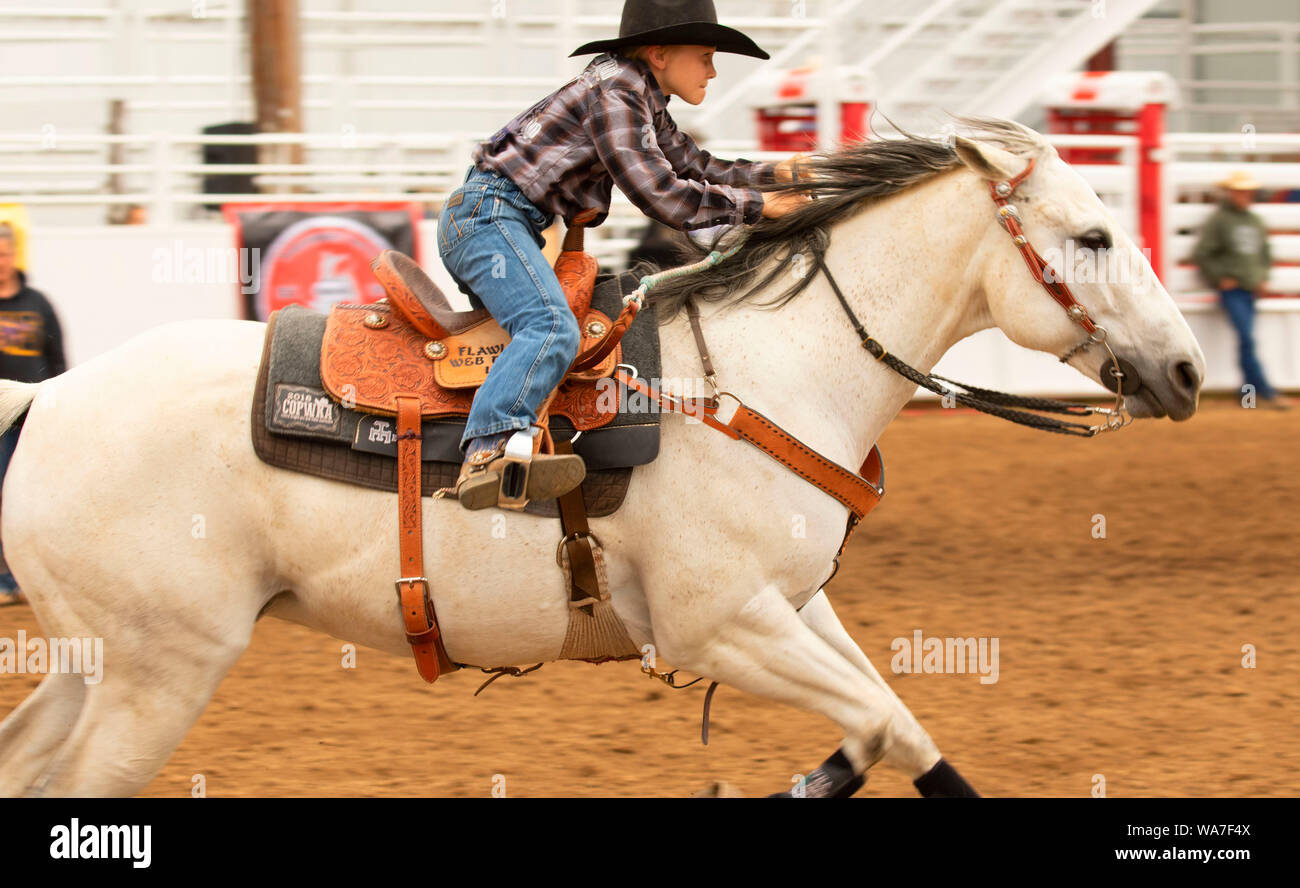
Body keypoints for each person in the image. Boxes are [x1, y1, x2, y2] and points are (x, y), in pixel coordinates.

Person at [438, 0, 811, 509]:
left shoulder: (635, 92)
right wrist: (758, 206)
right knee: (549, 326)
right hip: (489, 219)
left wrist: (776, 176)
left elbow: (694, 164)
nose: (713, 69)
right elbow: (660, 193)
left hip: (499, 218)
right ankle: (488, 452)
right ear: (659, 53)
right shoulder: (617, 92)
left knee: (550, 328)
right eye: (704, 55)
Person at [0, 222, 67, 605]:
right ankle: (5, 577)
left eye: (5, 255)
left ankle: (29, 575)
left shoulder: (37, 304)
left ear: (14, 257)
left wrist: (58, 401)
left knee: (32, 497)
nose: (1, 263)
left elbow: (56, 356)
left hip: (32, 414)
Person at [1192, 170, 1291, 410]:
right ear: (1231, 193)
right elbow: (1203, 254)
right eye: (1240, 191)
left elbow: (1264, 253)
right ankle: (1264, 391)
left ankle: (1248, 394)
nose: (1244, 196)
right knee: (1247, 339)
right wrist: (1220, 278)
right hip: (1234, 291)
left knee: (1247, 340)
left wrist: (1261, 278)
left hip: (1248, 289)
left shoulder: (1253, 221)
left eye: (1247, 192)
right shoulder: (1220, 221)